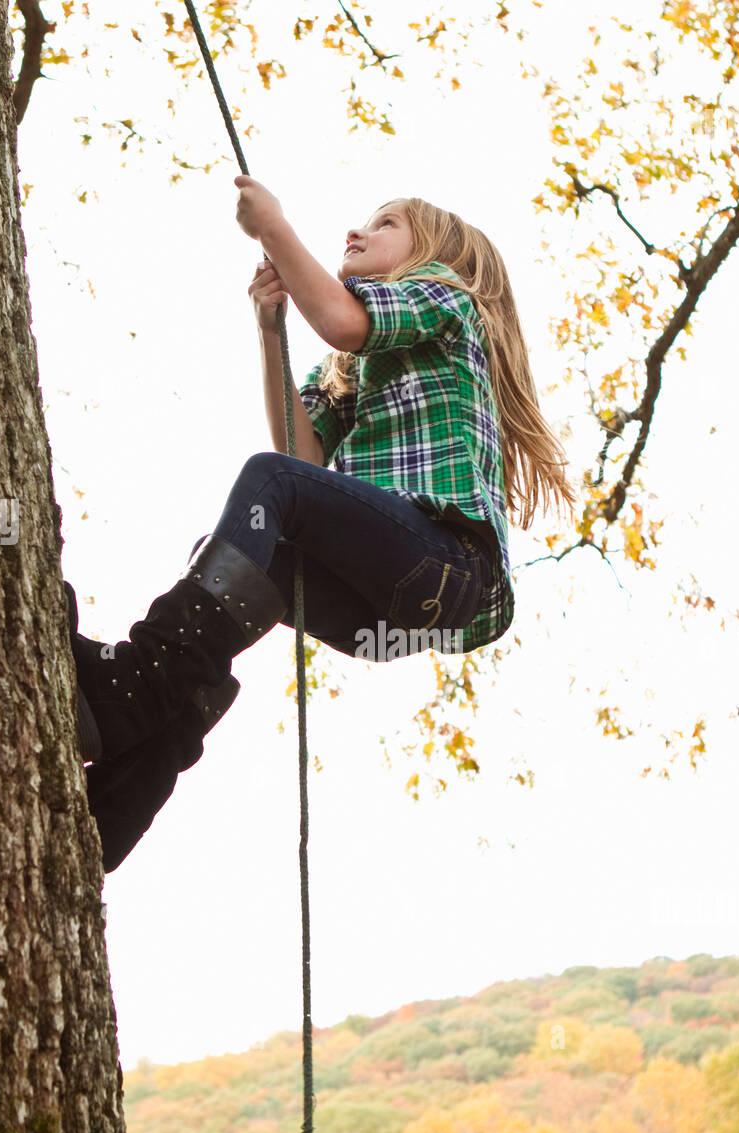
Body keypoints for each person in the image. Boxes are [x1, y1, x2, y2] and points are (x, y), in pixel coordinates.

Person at [68, 178, 577, 871]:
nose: (358, 233)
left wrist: (274, 227)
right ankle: (122, 797)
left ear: (434, 250)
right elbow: (300, 456)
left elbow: (340, 323)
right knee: (236, 553)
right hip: (398, 601)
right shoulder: (351, 368)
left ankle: (135, 683)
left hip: (448, 562)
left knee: (268, 492)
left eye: (386, 224)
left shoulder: (445, 296)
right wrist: (270, 329)